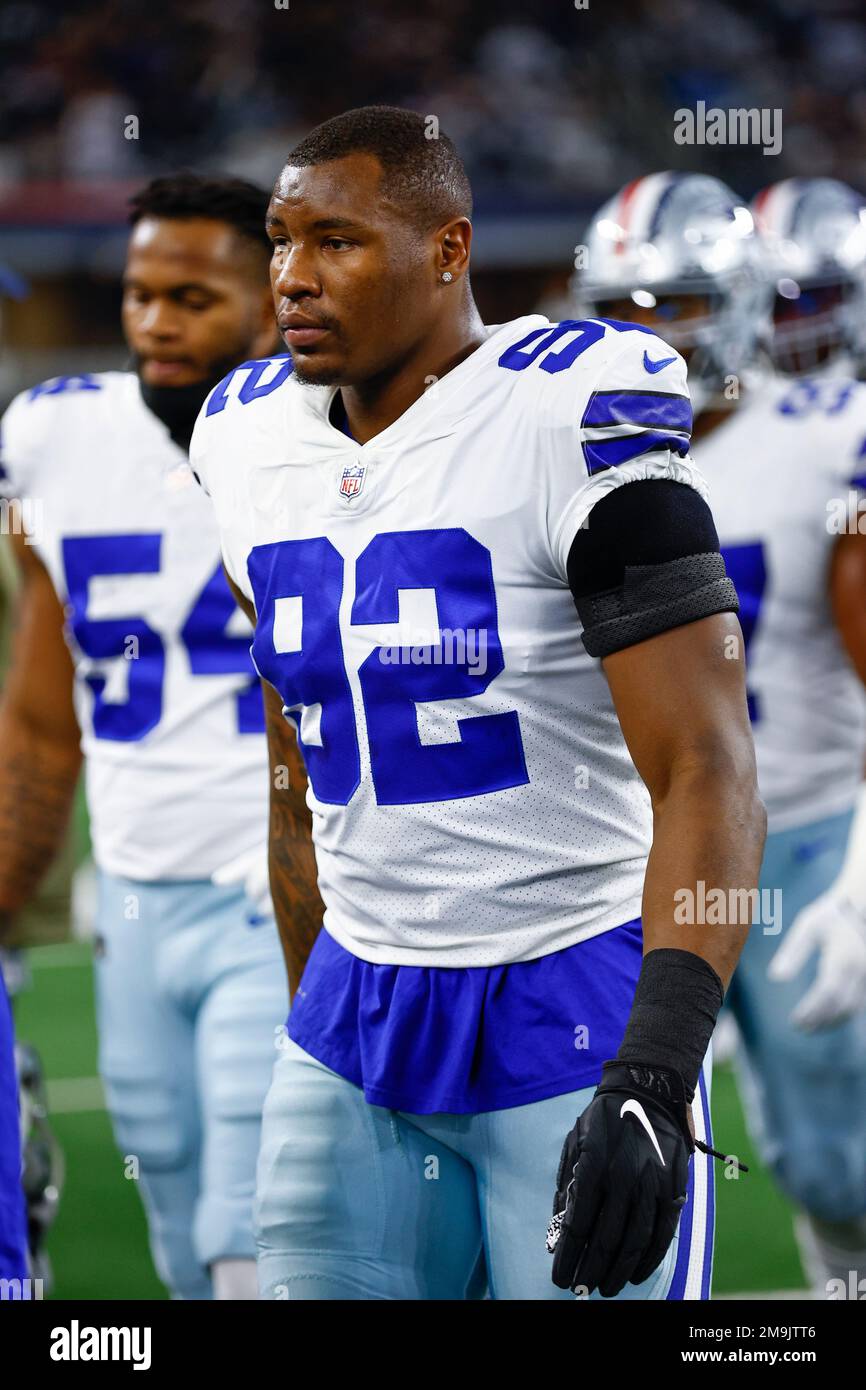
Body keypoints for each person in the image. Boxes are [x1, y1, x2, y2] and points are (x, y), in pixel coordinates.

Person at [191, 107, 765, 1301]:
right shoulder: (243, 436)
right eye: (279, 240)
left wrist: (654, 1071)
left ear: (448, 251)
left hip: (568, 993)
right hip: (355, 1006)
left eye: (337, 241)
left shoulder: (570, 413)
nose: (292, 276)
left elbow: (706, 768)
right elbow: (295, 759)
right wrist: (320, 1002)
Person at [0, 174, 289, 1301]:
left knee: (249, 1233)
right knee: (171, 1213)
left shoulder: (331, 434)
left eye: (191, 297)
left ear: (271, 302)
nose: (156, 324)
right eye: (137, 295)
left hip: (279, 894)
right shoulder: (52, 436)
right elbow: (39, 712)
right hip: (132, 901)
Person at [577, 170, 866, 1293]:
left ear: (742, 300)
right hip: (629, 853)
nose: (649, 335)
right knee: (608, 1155)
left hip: (801, 834)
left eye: (680, 302)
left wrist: (858, 877)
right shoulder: (567, 449)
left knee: (835, 1168)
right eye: (625, 309)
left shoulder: (823, 438)